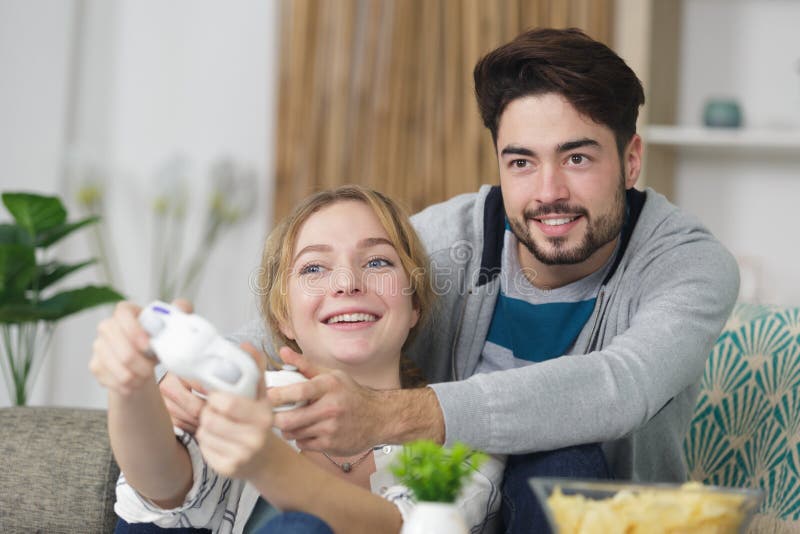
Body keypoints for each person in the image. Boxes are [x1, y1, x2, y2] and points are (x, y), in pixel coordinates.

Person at [161, 28, 739, 533]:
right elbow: (323, 305)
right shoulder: (450, 240)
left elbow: (619, 385)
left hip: (586, 514)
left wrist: (388, 415)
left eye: (578, 159)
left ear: (632, 159)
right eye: (521, 161)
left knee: (562, 457)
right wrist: (200, 372)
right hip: (439, 517)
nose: (548, 192)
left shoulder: (687, 265)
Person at [90, 186, 504, 533]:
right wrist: (131, 386)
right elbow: (162, 487)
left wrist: (264, 461)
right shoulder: (245, 400)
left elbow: (402, 528)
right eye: (313, 268)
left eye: (377, 261)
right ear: (283, 316)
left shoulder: (461, 443)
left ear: (414, 304)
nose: (346, 283)